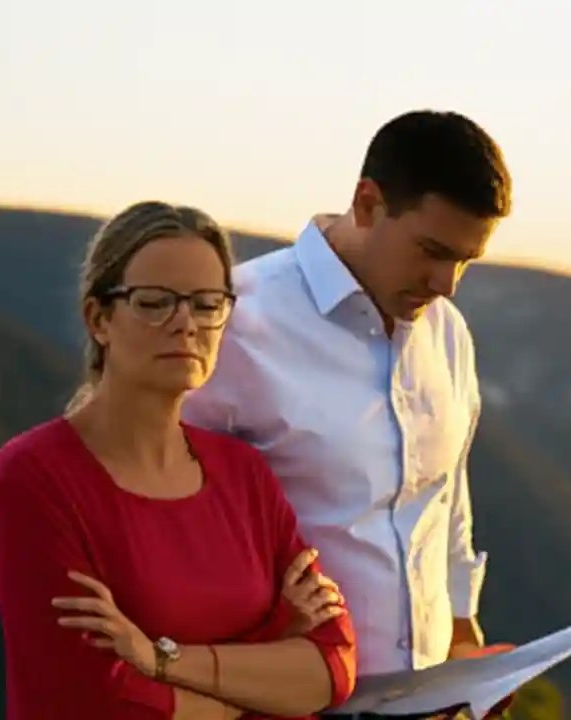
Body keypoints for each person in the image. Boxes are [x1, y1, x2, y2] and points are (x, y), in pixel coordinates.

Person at [180, 109, 514, 716]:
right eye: (432, 251)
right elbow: (168, 533)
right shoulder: (234, 324)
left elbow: (445, 496)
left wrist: (464, 634)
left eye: (467, 260)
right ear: (367, 203)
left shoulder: (448, 334)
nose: (447, 284)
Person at [0, 201, 359, 719]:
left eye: (207, 304)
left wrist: (159, 660)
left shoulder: (243, 474)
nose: (185, 323)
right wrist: (261, 667)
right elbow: (94, 697)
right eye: (154, 301)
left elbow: (331, 667)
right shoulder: (34, 475)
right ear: (99, 319)